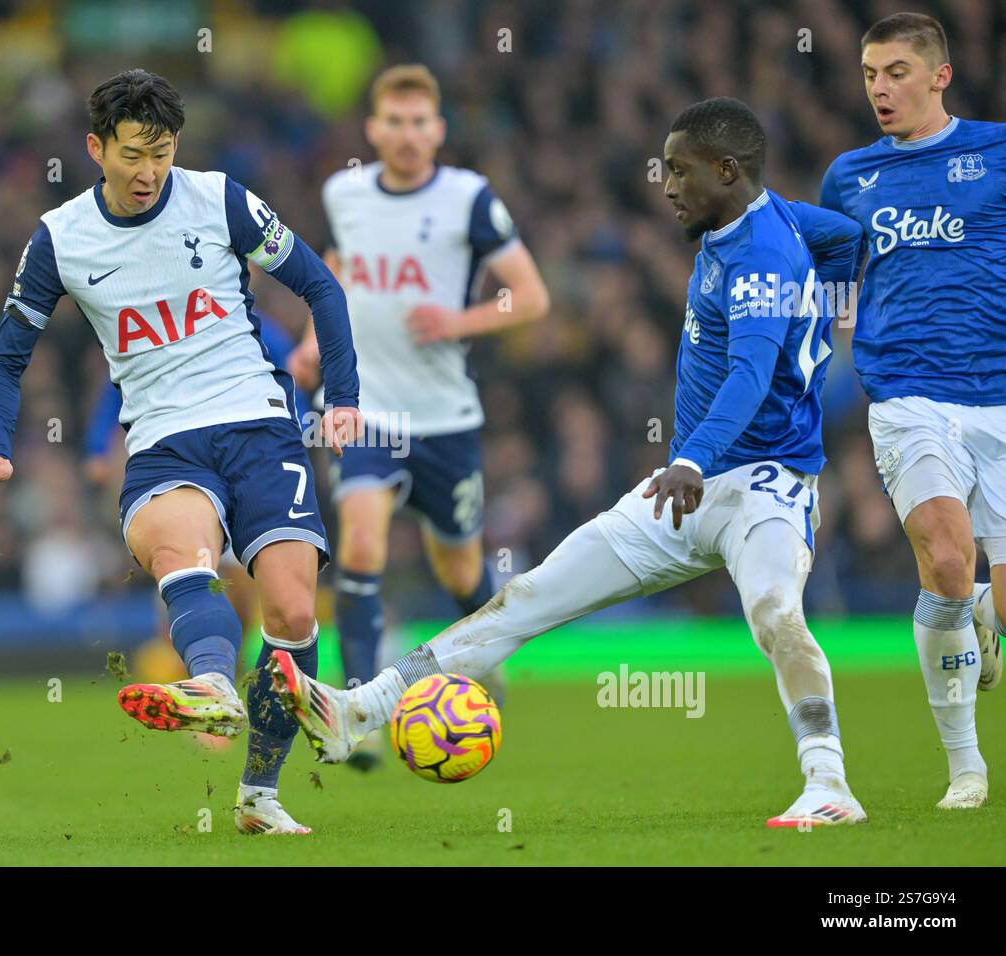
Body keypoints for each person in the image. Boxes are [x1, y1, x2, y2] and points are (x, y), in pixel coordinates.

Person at [270, 98, 872, 828]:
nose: (668, 185)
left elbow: (748, 374)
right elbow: (847, 237)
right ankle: (358, 709)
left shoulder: (761, 256)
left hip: (763, 484)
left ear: (727, 171)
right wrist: (833, 306)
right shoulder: (771, 222)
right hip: (687, 491)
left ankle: (829, 784)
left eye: (680, 171)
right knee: (528, 595)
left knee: (776, 614)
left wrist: (693, 457)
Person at [0, 69, 362, 835]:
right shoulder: (60, 238)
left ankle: (258, 795)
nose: (150, 171)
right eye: (133, 154)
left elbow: (322, 287)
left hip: (258, 424)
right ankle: (210, 682)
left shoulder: (220, 199)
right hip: (161, 442)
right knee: (182, 552)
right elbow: (7, 357)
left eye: (163, 151)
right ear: (95, 148)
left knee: (287, 608)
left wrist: (341, 399)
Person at [288, 65, 550, 767]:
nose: (407, 136)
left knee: (460, 566)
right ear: (373, 130)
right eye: (394, 123)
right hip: (364, 407)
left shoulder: (469, 198)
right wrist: (315, 342)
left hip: (444, 418)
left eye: (419, 122)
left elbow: (528, 298)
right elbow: (339, 270)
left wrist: (459, 318)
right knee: (362, 547)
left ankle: (485, 662)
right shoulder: (343, 192)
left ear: (439, 129)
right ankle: (357, 708)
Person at [820, 12, 1006, 810]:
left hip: (999, 395)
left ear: (940, 76)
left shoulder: (998, 152)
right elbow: (834, 284)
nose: (880, 89)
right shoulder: (850, 178)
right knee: (944, 555)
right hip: (907, 395)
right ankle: (966, 766)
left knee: (976, 587)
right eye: (869, 74)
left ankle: (982, 610)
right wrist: (833, 333)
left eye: (896, 72)